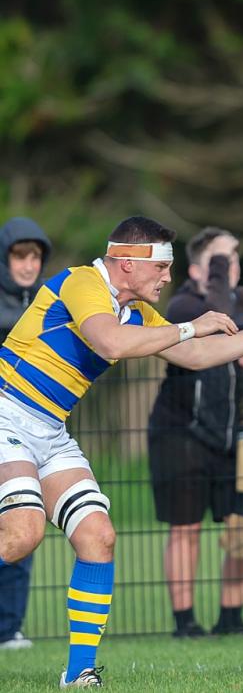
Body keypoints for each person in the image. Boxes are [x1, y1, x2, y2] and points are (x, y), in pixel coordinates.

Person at [0, 216, 243, 687]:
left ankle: (78, 674)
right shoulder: (83, 281)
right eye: (162, 266)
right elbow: (110, 341)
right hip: (8, 413)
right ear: (127, 263)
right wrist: (190, 327)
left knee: (98, 536)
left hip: (49, 429)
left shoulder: (138, 313)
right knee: (22, 535)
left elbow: (196, 355)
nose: (168, 276)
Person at [146, 228, 243, 638]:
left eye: (232, 259)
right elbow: (213, 319)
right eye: (218, 260)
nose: (228, 267)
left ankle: (231, 618)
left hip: (235, 439)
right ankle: (185, 623)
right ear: (196, 268)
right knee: (186, 527)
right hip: (182, 432)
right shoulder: (181, 304)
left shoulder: (240, 301)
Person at [0, 216, 50, 651]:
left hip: (28, 434)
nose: (28, 264)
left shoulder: (47, 304)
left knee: (23, 520)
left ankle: (8, 629)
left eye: (35, 256)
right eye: (19, 255)